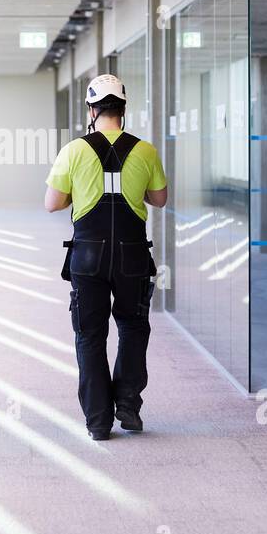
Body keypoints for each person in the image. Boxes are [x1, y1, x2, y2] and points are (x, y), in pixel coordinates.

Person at [44, 73, 168, 440]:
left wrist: (77, 193)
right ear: (123, 108)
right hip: (132, 255)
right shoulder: (145, 150)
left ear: (92, 109)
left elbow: (52, 203)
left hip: (88, 257)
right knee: (133, 328)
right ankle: (128, 406)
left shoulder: (74, 149)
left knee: (90, 334)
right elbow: (159, 200)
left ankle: (98, 421)